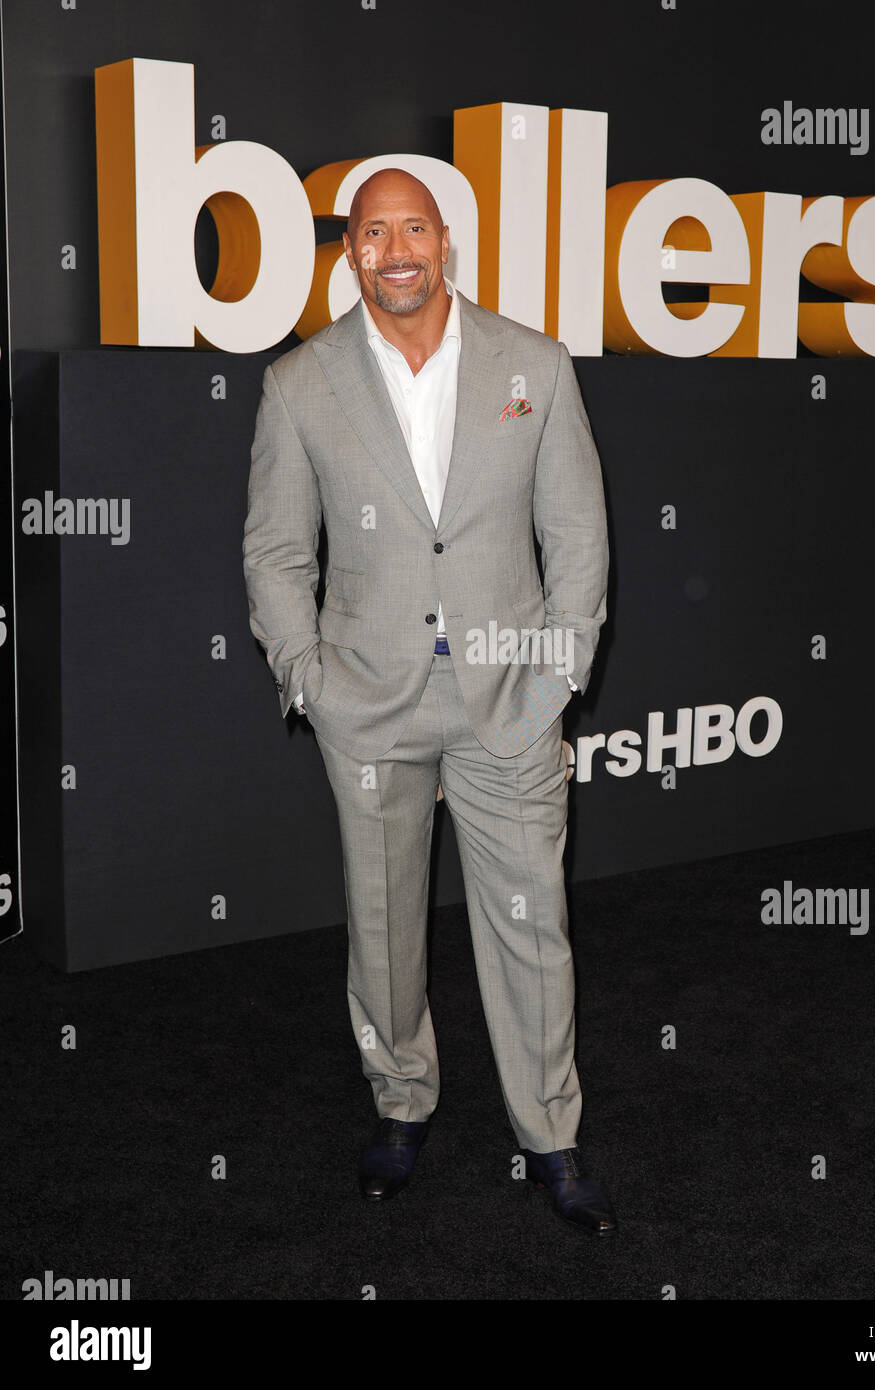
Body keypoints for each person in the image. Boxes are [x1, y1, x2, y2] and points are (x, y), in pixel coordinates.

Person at [243, 168, 614, 1235]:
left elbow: (579, 537)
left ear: (444, 241)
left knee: (532, 921)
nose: (395, 247)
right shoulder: (300, 383)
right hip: (369, 701)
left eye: (413, 227)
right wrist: (307, 675)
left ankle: (549, 1133)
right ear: (350, 250)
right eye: (373, 231)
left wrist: (554, 673)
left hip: (510, 695)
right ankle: (400, 1104)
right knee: (382, 924)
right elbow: (274, 551)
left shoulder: (532, 364)